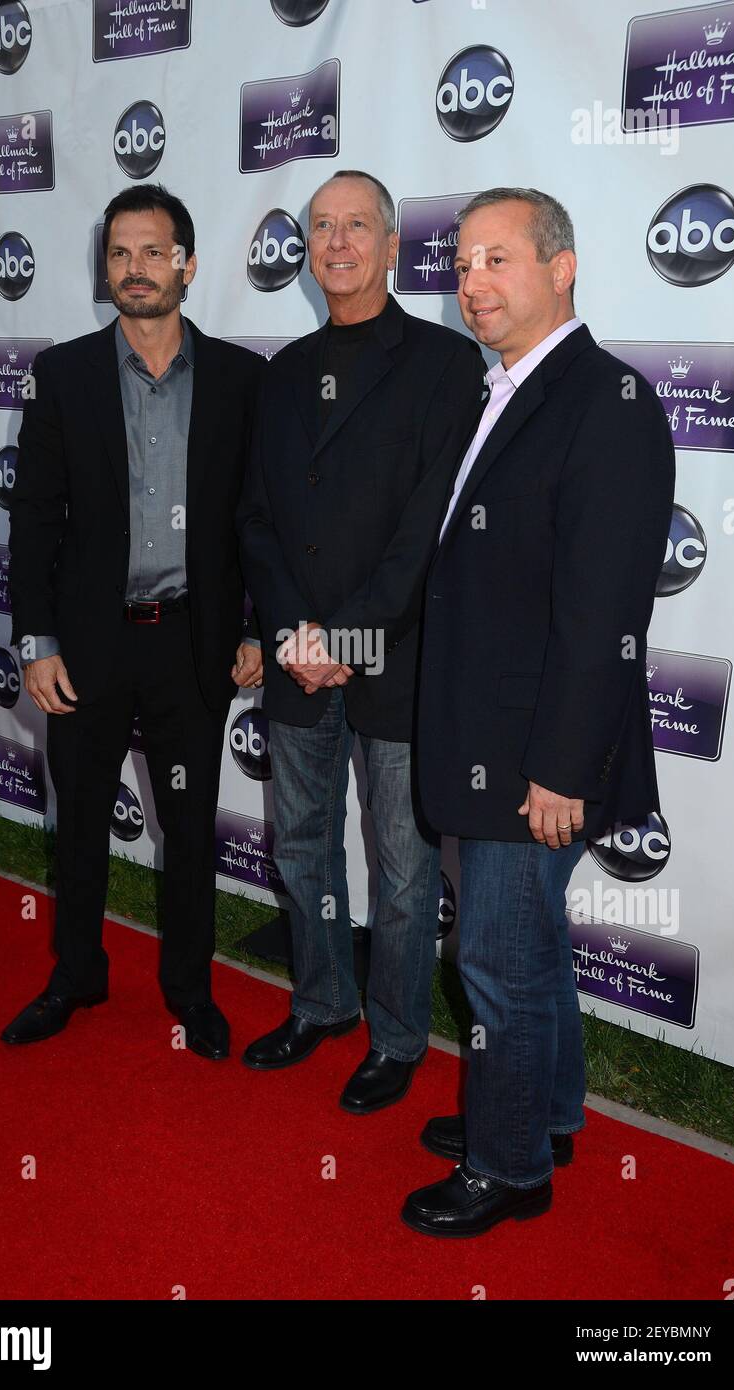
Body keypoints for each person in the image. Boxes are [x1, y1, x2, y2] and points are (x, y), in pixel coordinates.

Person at [403, 188, 675, 1236]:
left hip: (533, 758)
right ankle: (549, 1112)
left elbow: (604, 607)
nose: (473, 281)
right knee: (529, 951)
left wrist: (561, 768)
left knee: (497, 967)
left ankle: (508, 1164)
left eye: (498, 259)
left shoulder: (604, 401)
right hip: (488, 743)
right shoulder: (508, 390)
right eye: (464, 262)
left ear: (562, 268)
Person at [237, 170, 485, 1113]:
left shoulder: (443, 364)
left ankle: (395, 1037)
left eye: (357, 227)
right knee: (301, 843)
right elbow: (256, 519)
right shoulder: (284, 371)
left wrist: (345, 636)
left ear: (391, 247)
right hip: (303, 657)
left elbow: (428, 527)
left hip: (395, 659)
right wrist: (299, 633)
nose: (336, 242)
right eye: (320, 227)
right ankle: (320, 1003)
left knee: (402, 861)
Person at [2, 183, 263, 1059]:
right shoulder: (64, 373)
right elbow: (34, 517)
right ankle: (76, 973)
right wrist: (35, 641)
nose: (135, 269)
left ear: (187, 263)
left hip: (191, 643)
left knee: (189, 830)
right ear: (103, 267)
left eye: (153, 252)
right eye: (119, 254)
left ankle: (191, 987)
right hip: (89, 645)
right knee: (79, 816)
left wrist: (257, 629)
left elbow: (256, 525)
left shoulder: (239, 379)